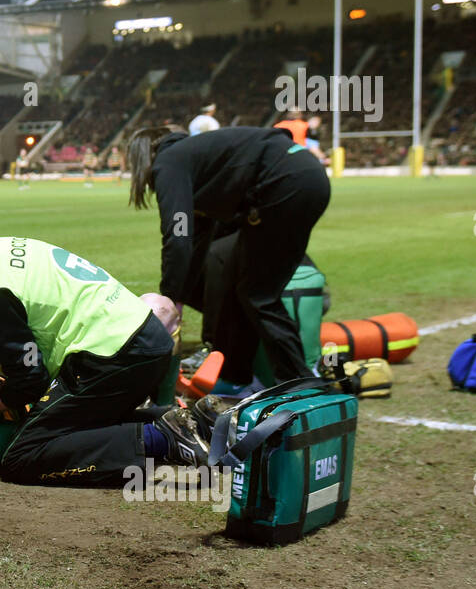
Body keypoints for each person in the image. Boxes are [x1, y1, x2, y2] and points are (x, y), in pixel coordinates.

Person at [0, 229, 220, 487]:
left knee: (24, 455)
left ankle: (165, 438)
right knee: (74, 423)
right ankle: (183, 418)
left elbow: (29, 381)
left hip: (114, 355)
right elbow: (1, 332)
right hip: (135, 340)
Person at [125, 124, 331, 390]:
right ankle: (238, 376)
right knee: (243, 283)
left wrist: (169, 299)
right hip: (303, 177)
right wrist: (179, 295)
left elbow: (178, 238)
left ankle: (298, 380)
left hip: (285, 183)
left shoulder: (170, 162)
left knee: (260, 293)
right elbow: (197, 243)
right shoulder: (199, 160)